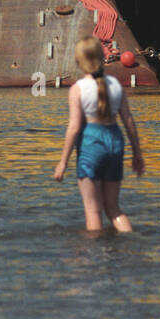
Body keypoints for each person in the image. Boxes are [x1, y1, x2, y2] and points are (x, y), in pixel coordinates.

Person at [53, 37, 145, 231]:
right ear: (103, 57)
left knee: (93, 210)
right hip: (115, 140)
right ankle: (129, 243)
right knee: (114, 209)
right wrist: (137, 154)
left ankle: (94, 258)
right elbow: (128, 121)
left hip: (91, 143)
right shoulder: (116, 85)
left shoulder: (77, 89)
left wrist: (63, 162)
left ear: (79, 62)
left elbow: (75, 127)